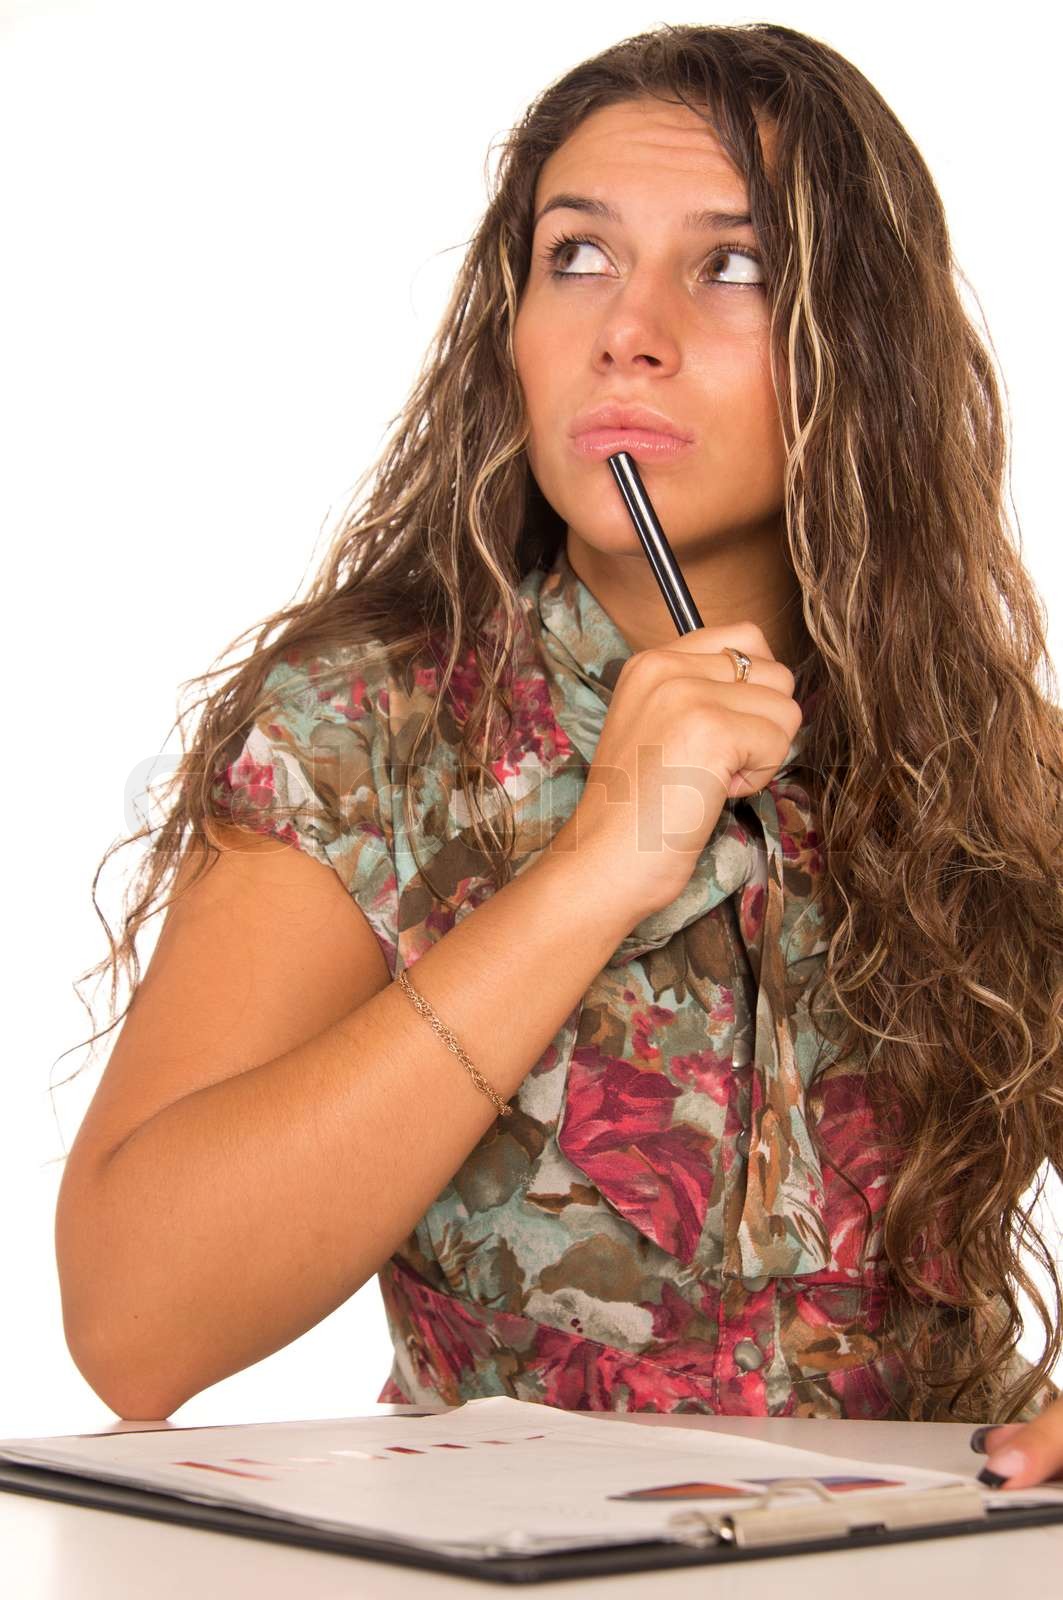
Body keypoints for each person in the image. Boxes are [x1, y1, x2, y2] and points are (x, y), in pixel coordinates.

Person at [54, 23, 1063, 1489]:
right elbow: (133, 1327)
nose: (625, 329)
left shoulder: (993, 759)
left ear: (866, 347)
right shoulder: (373, 733)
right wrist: (600, 866)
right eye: (577, 256)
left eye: (733, 268)